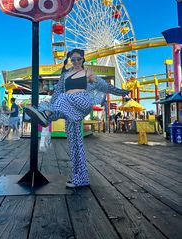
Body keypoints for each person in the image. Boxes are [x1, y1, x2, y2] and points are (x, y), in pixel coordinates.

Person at [25, 49, 129, 188]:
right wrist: (50, 104)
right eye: (73, 60)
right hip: (69, 107)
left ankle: (45, 116)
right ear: (70, 61)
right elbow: (56, 94)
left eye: (78, 59)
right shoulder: (65, 75)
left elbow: (105, 85)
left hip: (82, 101)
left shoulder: (87, 73)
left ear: (83, 59)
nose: (76, 62)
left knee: (61, 100)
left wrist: (122, 92)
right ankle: (80, 179)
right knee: (74, 143)